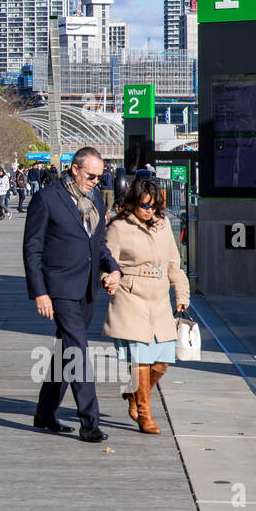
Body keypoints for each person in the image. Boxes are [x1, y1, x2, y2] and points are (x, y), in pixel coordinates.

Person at [23, 146, 122, 443]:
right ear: (75, 169)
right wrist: (40, 293)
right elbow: (32, 250)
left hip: (88, 288)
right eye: (91, 175)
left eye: (100, 176)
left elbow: (98, 243)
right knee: (78, 350)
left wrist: (113, 269)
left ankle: (45, 412)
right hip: (60, 289)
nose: (96, 181)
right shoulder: (47, 199)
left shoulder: (94, 200)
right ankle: (89, 421)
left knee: (64, 351)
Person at [104, 177, 189, 434]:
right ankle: (144, 413)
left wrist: (182, 294)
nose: (149, 210)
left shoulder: (162, 225)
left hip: (160, 300)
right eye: (144, 205)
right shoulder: (118, 227)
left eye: (153, 205)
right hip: (132, 298)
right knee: (140, 360)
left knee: (161, 363)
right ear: (133, 203)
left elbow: (174, 262)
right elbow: (107, 260)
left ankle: (133, 394)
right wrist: (108, 277)